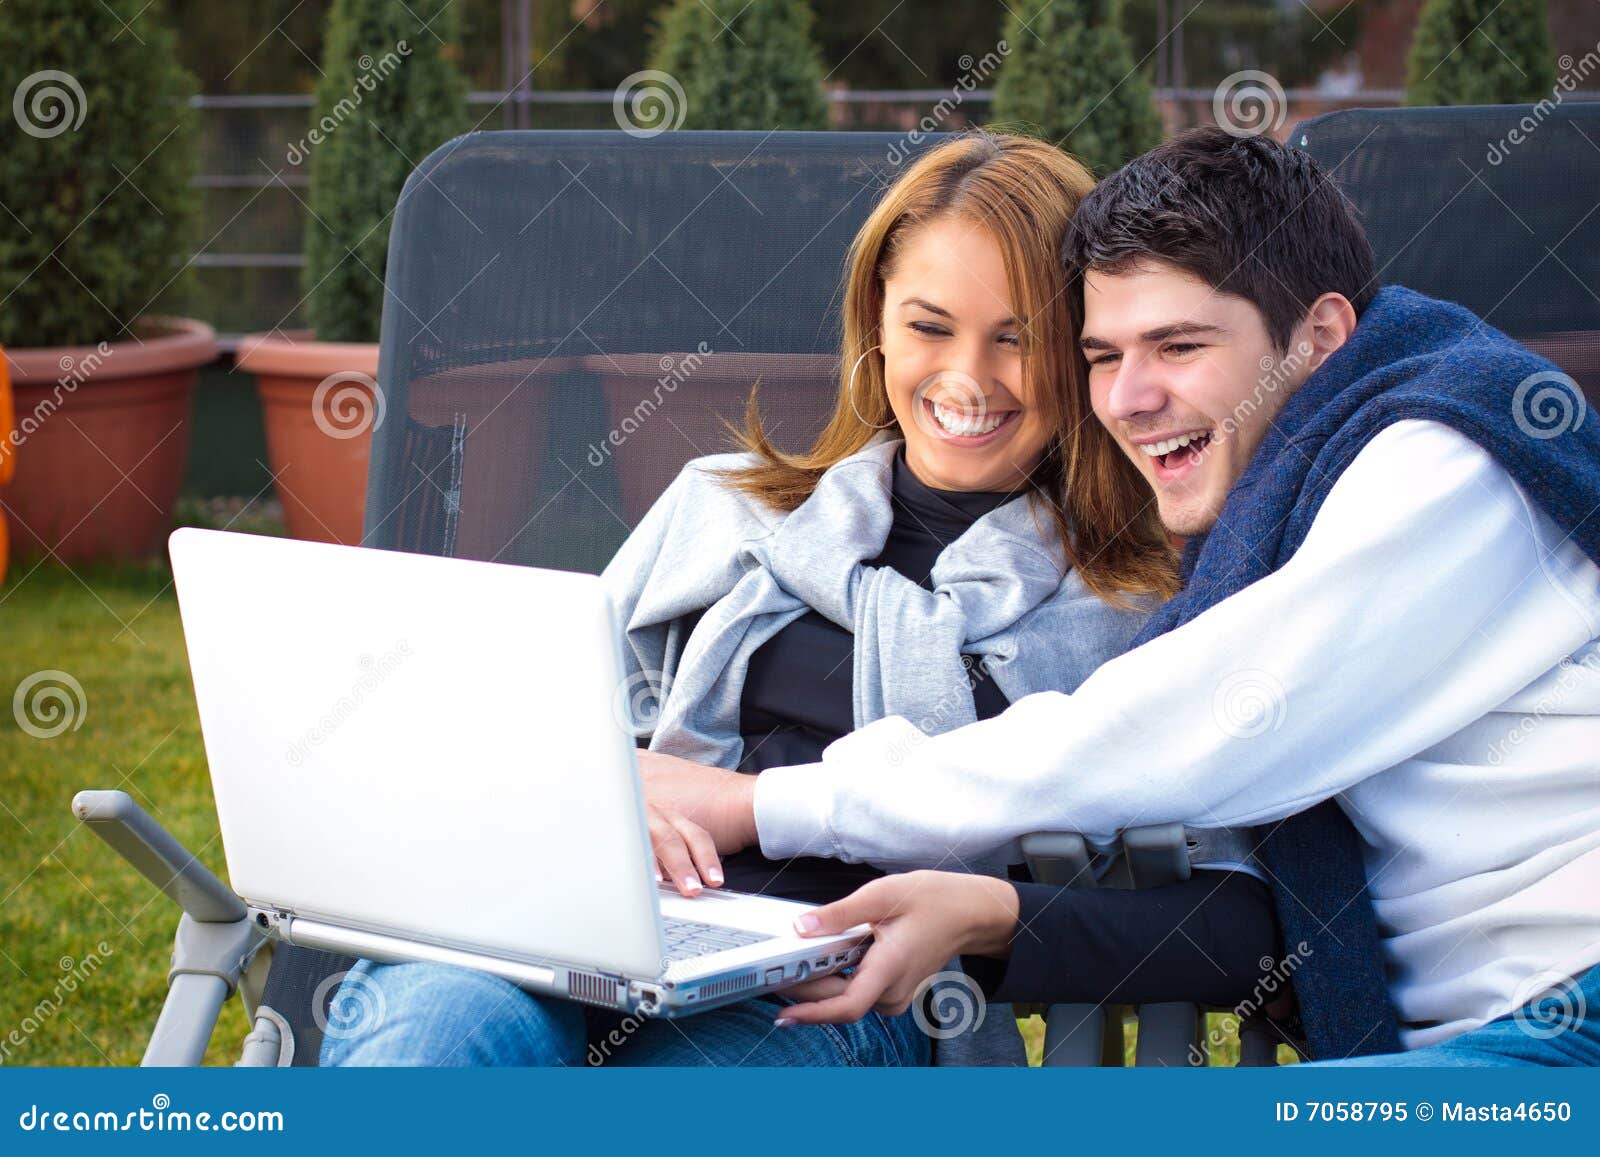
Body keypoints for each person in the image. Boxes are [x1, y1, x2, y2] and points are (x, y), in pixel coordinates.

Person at [319, 132, 1280, 1069]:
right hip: (571, 910)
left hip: (831, 980)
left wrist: (985, 921)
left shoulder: (1132, 604)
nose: (968, 379)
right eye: (930, 326)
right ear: (876, 321)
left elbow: (1239, 915)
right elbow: (508, 733)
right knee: (428, 1043)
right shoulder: (723, 506)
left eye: (1017, 339)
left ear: (1082, 353)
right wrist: (598, 798)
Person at [645, 127, 1600, 1066]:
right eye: (1105, 354)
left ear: (1319, 337)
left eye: (1178, 345)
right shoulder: (1284, 519)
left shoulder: (1442, 464)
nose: (1129, 399)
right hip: (1471, 1041)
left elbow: (1171, 731)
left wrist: (762, 804)